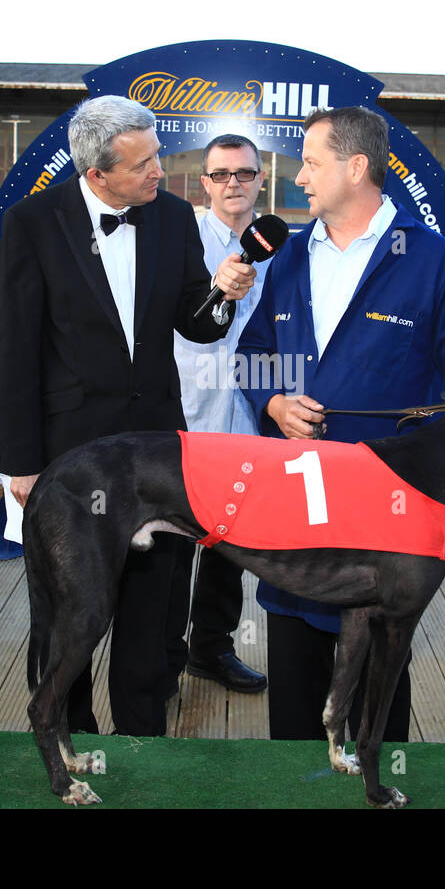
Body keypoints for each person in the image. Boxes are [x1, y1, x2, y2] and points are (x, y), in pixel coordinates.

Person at [235, 106, 445, 741]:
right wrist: (274, 405)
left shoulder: (432, 261)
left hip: (386, 516)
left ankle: (376, 775)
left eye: (311, 163)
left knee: (377, 676)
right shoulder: (290, 257)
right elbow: (252, 354)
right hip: (297, 504)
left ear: (356, 167)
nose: (298, 178)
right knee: (294, 679)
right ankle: (295, 779)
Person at [0, 95, 256, 737]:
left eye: (158, 156)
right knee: (67, 611)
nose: (159, 172)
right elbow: (17, 351)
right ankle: (68, 736)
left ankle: (144, 740)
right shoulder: (32, 222)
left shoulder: (172, 216)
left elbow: (196, 324)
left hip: (155, 454)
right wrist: (21, 465)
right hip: (70, 454)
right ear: (97, 174)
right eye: (142, 165)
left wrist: (223, 294)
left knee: (151, 609)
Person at [172, 134, 270, 694]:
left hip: (252, 416)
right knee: (169, 539)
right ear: (205, 182)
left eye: (244, 173)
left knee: (230, 541)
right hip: (188, 409)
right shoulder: (181, 238)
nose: (233, 183)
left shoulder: (285, 246)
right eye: (221, 174)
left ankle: (211, 648)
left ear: (261, 179)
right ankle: (160, 653)